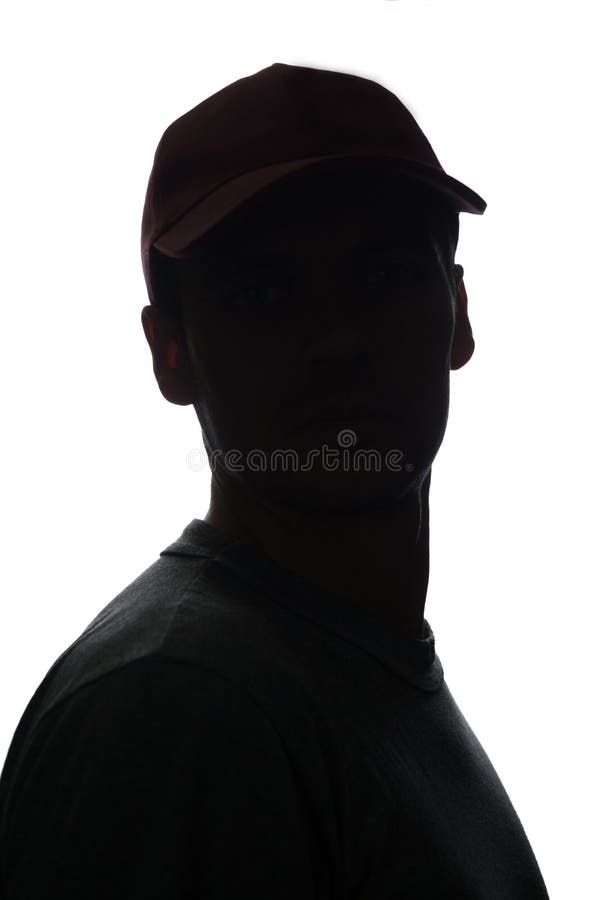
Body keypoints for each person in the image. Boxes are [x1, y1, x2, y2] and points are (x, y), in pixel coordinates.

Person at [0, 63, 550, 898]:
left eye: (385, 273)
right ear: (170, 352)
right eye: (263, 292)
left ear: (460, 315)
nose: (336, 335)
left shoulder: (337, 673)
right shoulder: (178, 710)